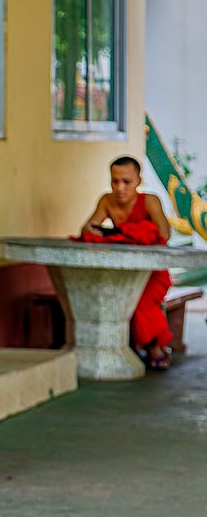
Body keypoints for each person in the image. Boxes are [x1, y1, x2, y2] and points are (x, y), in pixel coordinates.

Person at [80, 156, 173, 370]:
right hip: (123, 270)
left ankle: (155, 347)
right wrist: (97, 230)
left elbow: (164, 234)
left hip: (153, 272)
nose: (120, 188)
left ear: (138, 181)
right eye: (115, 181)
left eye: (126, 182)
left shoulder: (150, 201)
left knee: (140, 304)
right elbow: (87, 228)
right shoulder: (107, 200)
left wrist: (126, 232)